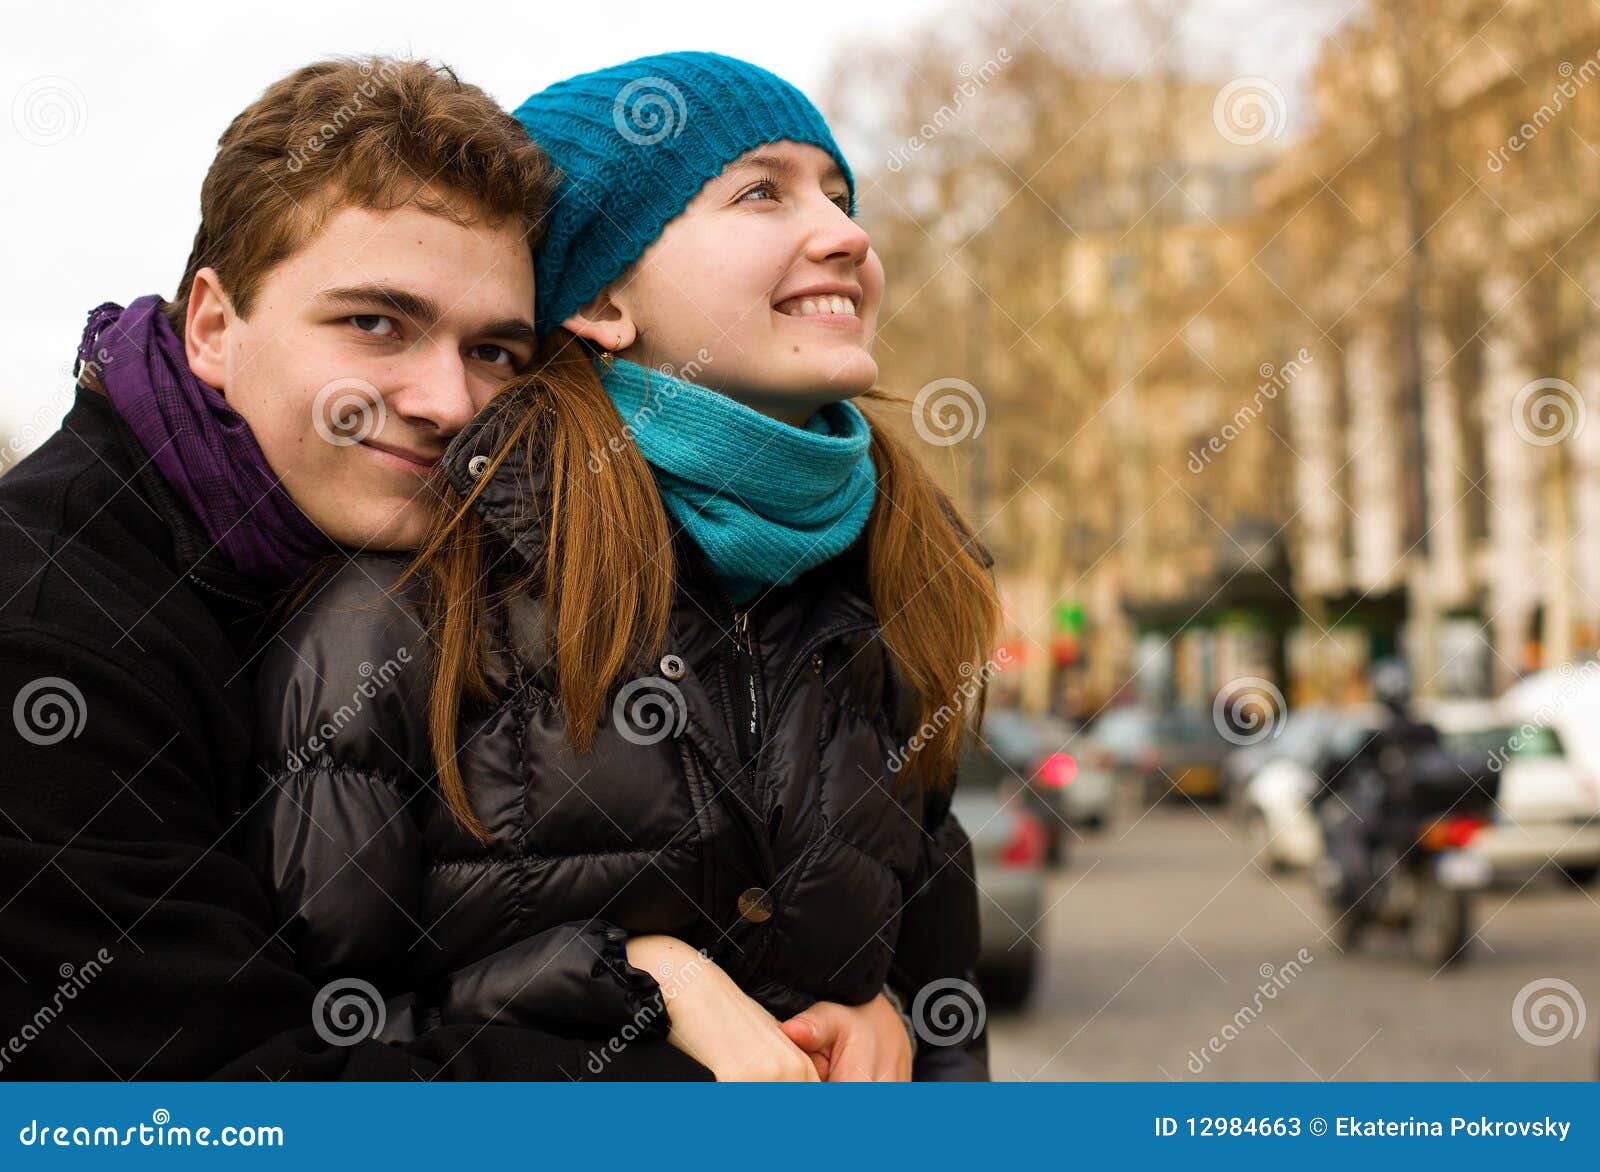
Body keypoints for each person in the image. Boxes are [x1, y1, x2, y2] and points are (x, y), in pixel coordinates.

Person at [246, 52, 1002, 1081]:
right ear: (601, 298)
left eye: (835, 192)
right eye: (760, 193)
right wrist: (630, 984)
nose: (846, 233)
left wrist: (898, 1019)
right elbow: (327, 1047)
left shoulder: (906, 584)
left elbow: (947, 993)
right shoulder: (407, 612)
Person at [0, 55, 707, 1081]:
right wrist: (666, 1051)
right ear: (211, 325)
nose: (448, 403)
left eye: (495, 351)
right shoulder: (49, 634)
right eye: (376, 323)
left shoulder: (338, 566)